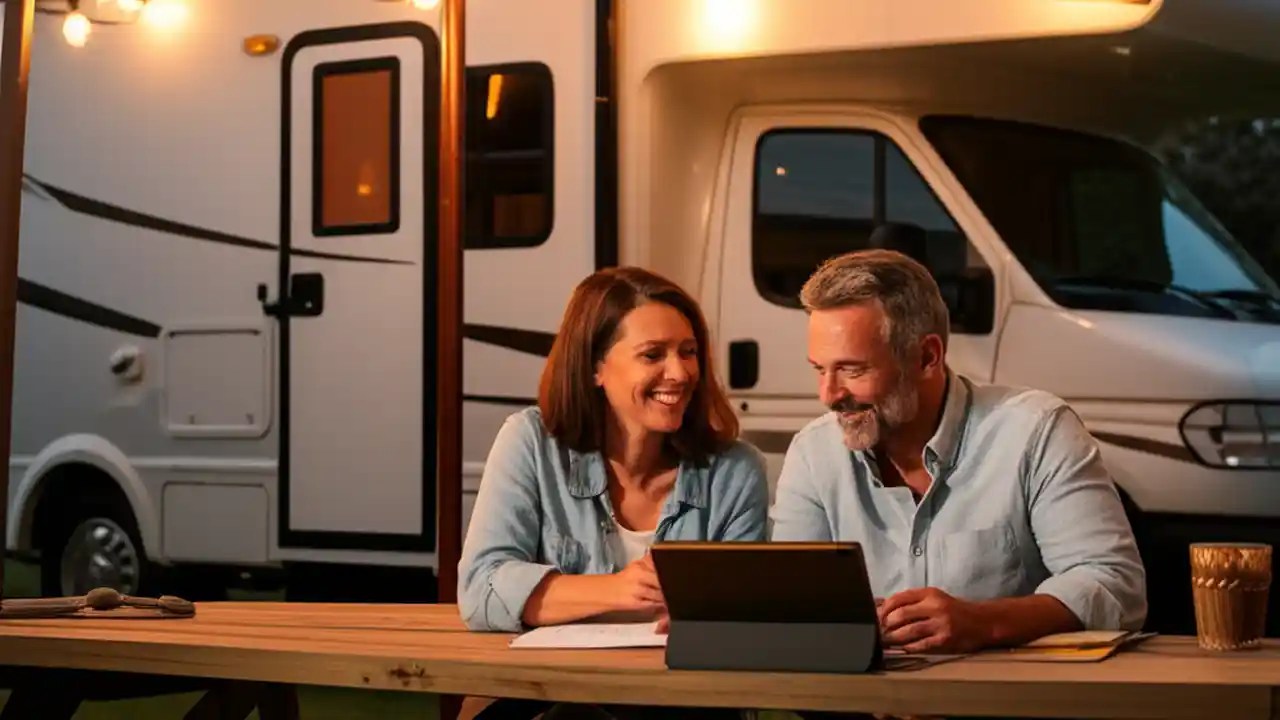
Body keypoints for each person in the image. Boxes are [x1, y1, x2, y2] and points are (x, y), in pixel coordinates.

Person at [771, 249, 1147, 655]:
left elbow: (1115, 586)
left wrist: (983, 622)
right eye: (819, 369)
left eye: (853, 370)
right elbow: (788, 606)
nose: (828, 395)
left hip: (1007, 691)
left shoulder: (1034, 431)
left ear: (927, 357)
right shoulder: (814, 454)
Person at [458, 266, 766, 718]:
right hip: (551, 689)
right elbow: (482, 590)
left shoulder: (736, 471)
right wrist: (619, 590)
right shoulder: (531, 443)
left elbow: (746, 613)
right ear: (595, 368)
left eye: (688, 352)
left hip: (683, 700)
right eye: (652, 354)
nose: (680, 372)